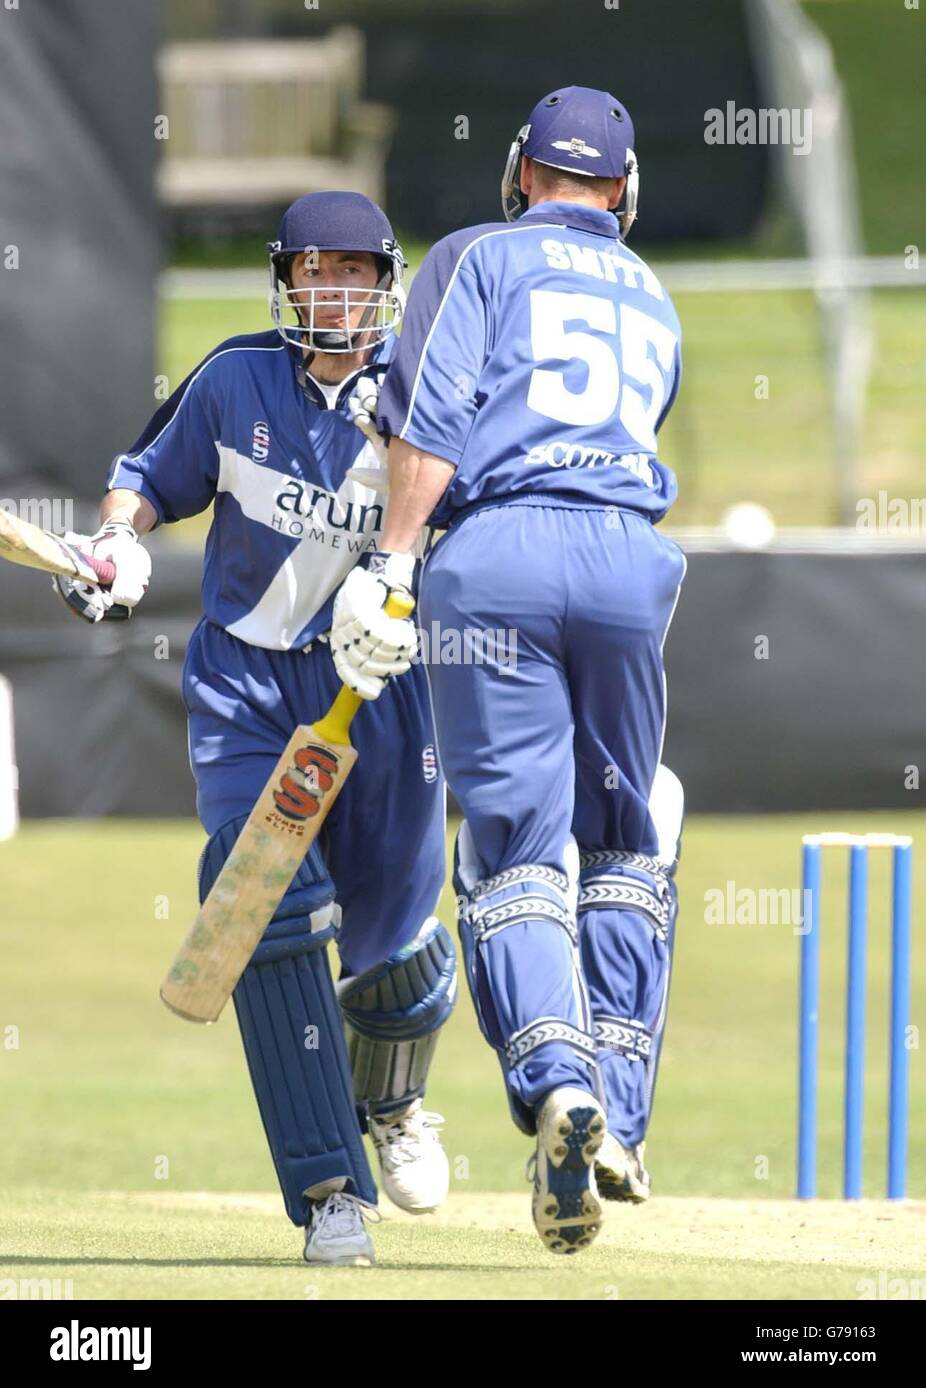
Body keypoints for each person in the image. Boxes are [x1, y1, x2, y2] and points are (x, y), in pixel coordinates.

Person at [54, 192, 455, 1267]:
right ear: (287, 279)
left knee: (400, 956)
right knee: (264, 904)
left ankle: (396, 1098)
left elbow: (480, 522)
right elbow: (141, 483)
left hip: (382, 695)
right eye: (313, 270)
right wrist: (116, 548)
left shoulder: (426, 391)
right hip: (246, 688)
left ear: (384, 283)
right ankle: (329, 1190)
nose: (332, 291)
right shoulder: (235, 378)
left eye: (353, 272)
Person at [330, 89, 686, 1256]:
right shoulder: (652, 292)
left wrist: (388, 568)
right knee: (630, 832)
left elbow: (428, 424)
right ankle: (620, 1122)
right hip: (631, 561)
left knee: (514, 850)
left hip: (496, 560)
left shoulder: (473, 257)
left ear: (517, 172)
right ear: (621, 194)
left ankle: (555, 1079)